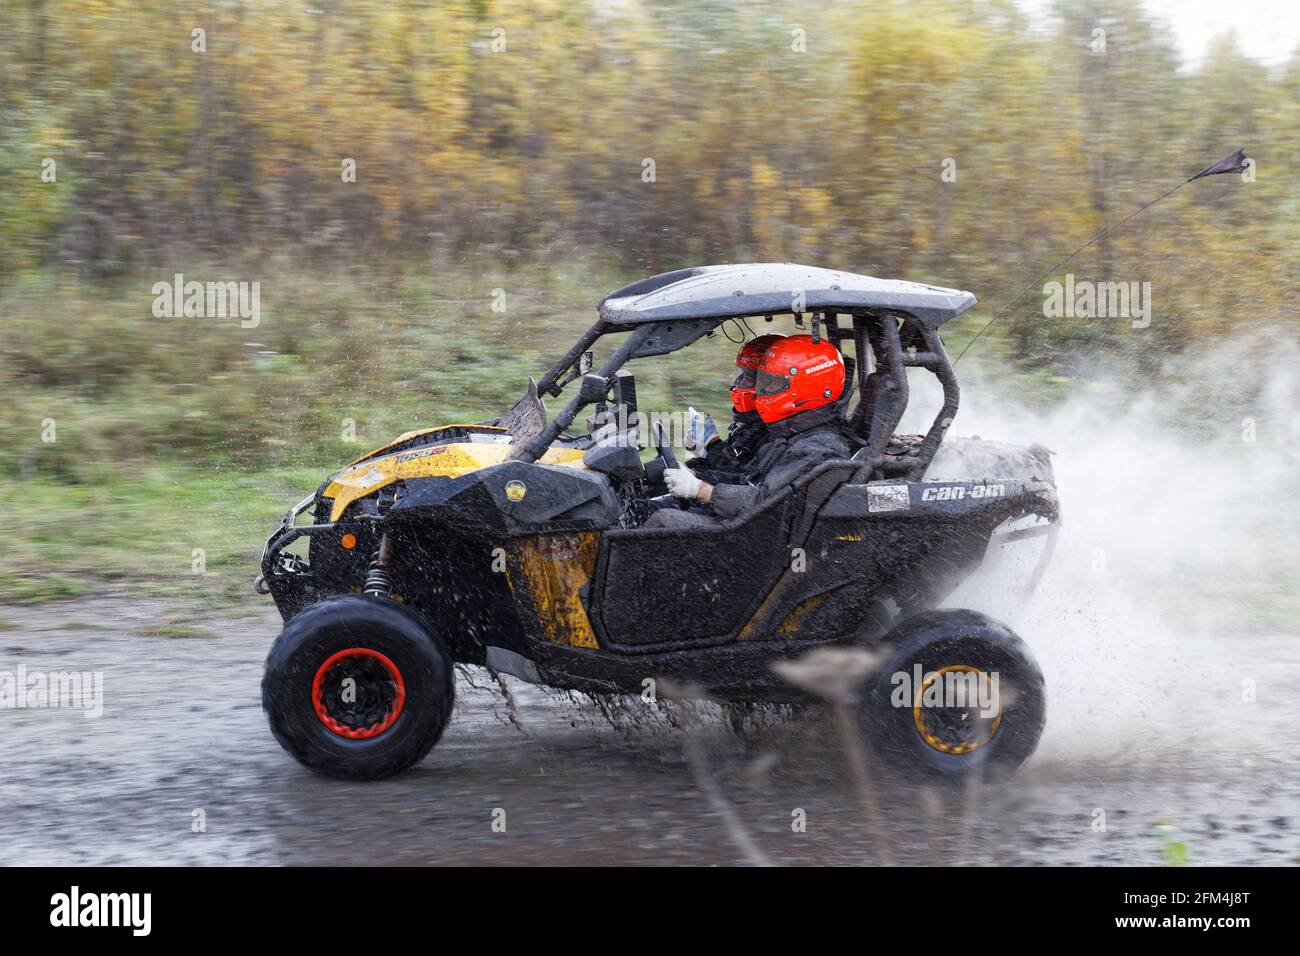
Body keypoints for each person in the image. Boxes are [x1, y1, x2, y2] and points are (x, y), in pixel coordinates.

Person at [647, 334, 850, 528]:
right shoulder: (788, 436)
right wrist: (698, 476)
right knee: (650, 508)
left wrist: (700, 490)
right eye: (763, 381)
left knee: (664, 522)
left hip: (758, 537)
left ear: (807, 387)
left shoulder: (817, 447)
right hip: (748, 526)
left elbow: (766, 504)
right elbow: (747, 479)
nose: (761, 392)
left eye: (772, 384)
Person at [684, 333, 784, 483]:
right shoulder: (751, 423)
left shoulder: (774, 433)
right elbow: (729, 465)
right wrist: (688, 466)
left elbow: (742, 480)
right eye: (741, 375)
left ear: (770, 384)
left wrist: (712, 444)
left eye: (748, 377)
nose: (740, 383)